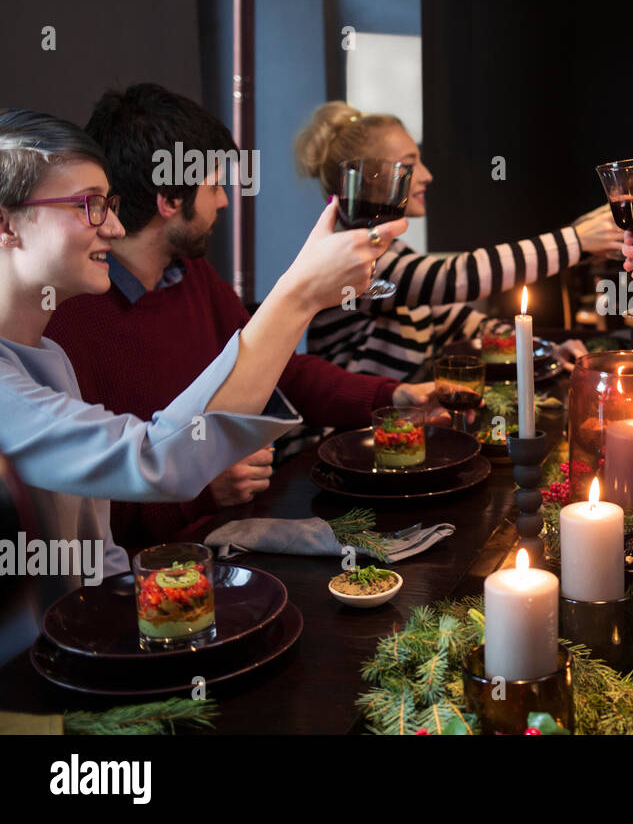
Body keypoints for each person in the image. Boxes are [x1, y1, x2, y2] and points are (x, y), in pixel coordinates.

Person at [0, 108, 402, 664]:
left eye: (109, 205)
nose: (113, 228)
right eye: (88, 205)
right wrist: (298, 295)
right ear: (6, 224)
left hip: (84, 656)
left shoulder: (48, 358)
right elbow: (153, 460)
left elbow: (101, 559)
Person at [45, 84, 445, 547]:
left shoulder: (190, 274)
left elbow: (275, 369)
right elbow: (82, 507)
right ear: (169, 200)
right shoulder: (67, 322)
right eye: (215, 185)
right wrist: (200, 488)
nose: (223, 202)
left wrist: (392, 396)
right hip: (155, 574)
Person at [296, 102, 623, 381]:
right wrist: (576, 241)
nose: (427, 175)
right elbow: (455, 277)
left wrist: (546, 352)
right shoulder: (354, 261)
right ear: (369, 178)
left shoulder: (394, 257)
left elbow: (467, 324)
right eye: (409, 165)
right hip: (341, 435)